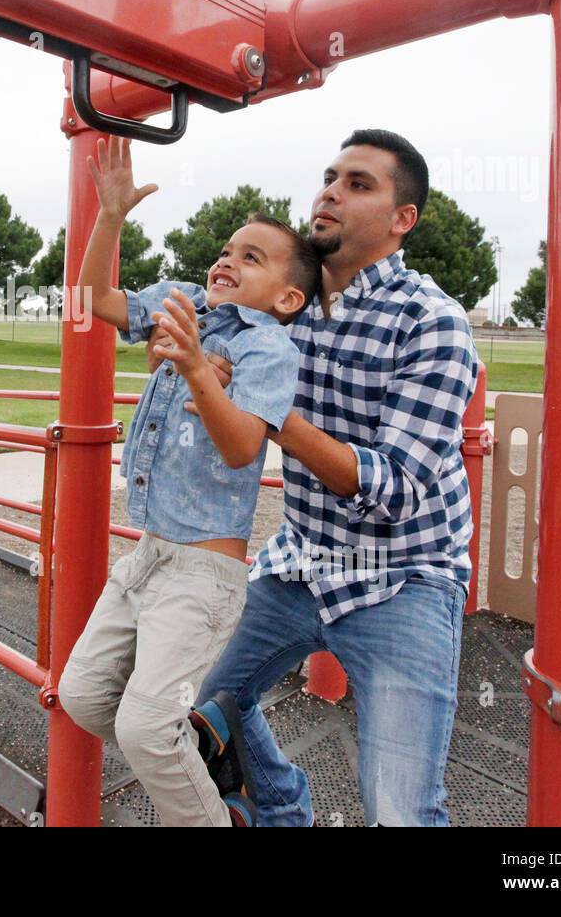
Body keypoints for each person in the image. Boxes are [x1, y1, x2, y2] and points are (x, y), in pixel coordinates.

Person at [175, 129, 479, 826]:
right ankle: (283, 807)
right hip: (299, 559)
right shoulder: (286, 298)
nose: (330, 192)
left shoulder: (432, 322)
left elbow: (396, 487)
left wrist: (265, 406)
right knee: (185, 694)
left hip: (401, 575)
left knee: (401, 811)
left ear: (402, 221)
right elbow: (193, 308)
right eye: (330, 176)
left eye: (358, 184)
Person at [58, 134, 320, 826]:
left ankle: (210, 806)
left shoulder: (268, 348)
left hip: (204, 573)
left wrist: (202, 374)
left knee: (145, 731)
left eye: (251, 257)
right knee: (84, 698)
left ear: (288, 297)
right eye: (228, 249)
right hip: (149, 555)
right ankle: (205, 747)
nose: (228, 260)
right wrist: (110, 216)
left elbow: (241, 452)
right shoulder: (182, 303)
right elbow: (93, 299)